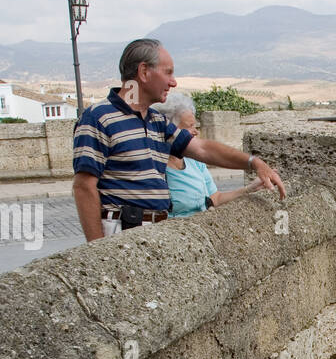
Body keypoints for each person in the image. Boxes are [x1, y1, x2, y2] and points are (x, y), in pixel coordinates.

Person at [73, 39, 285, 241]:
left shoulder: (156, 121)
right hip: (123, 232)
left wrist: (253, 163)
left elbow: (202, 150)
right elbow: (84, 186)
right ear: (144, 72)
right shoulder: (98, 118)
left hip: (156, 231)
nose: (173, 82)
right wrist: (97, 247)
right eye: (168, 73)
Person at [160, 91, 269, 216]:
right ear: (171, 129)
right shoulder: (156, 166)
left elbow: (215, 198)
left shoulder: (195, 162)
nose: (195, 131)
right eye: (190, 126)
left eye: (195, 125)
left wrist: (249, 189)